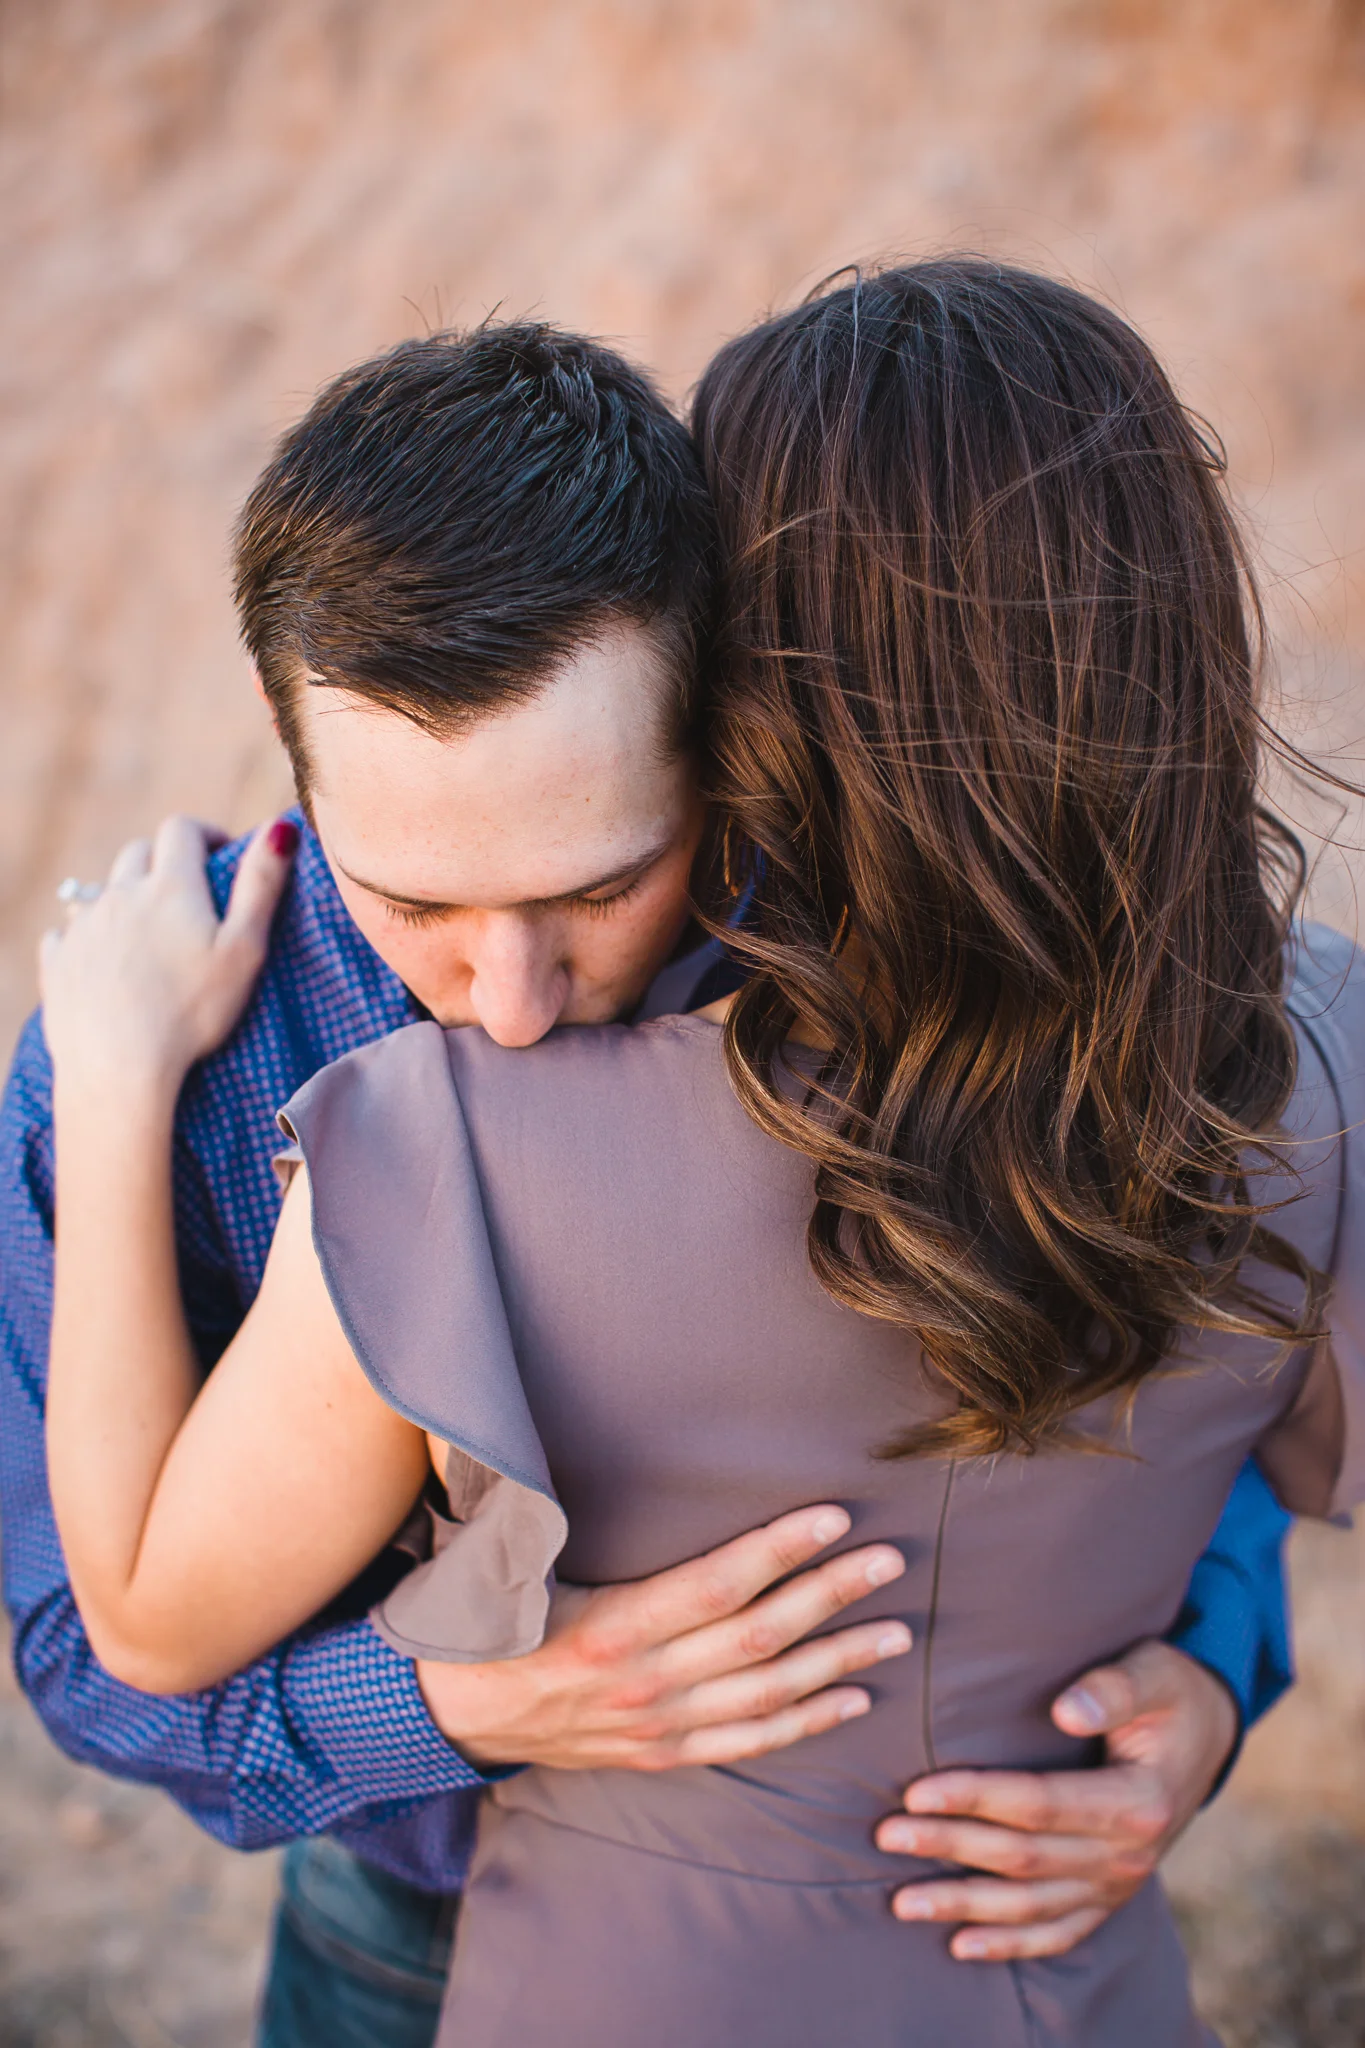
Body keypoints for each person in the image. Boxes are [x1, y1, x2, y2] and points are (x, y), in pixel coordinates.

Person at [8, 307, 1295, 2044]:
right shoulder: (147, 1071)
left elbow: (1132, 1326)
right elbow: (96, 1657)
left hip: (901, 1923)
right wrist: (472, 1708)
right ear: (279, 714)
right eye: (421, 913)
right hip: (401, 1916)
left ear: (717, 712)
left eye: (601, 890)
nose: (516, 1009)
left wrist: (1210, 1668)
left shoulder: (873, 951)